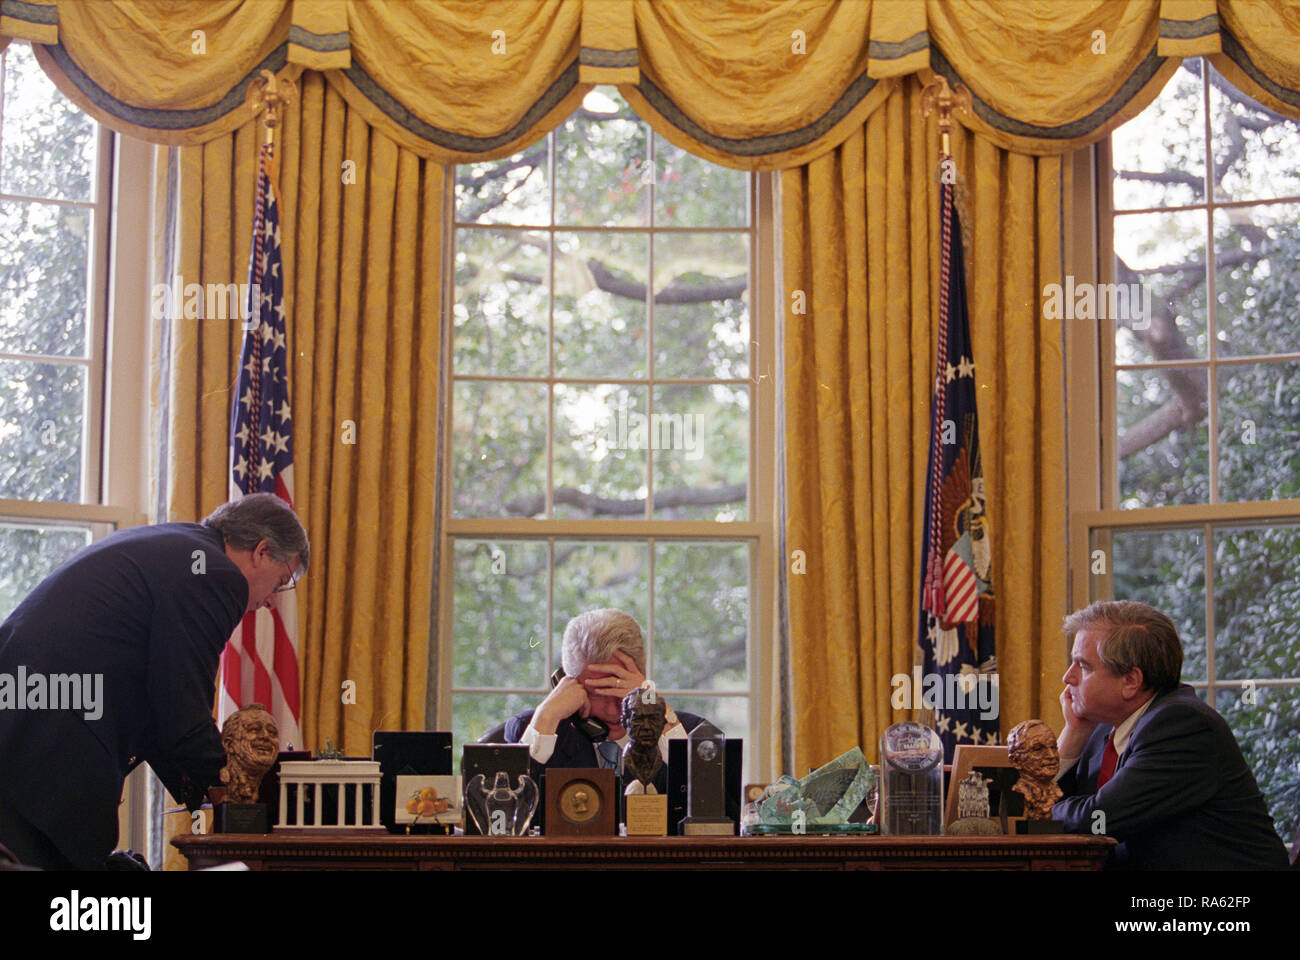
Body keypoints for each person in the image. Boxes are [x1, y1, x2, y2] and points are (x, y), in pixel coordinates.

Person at [0, 493, 308, 870]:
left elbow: (162, 702)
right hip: (50, 742)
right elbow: (182, 708)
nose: (272, 601)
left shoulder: (180, 546)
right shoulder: (218, 574)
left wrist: (210, 788)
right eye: (281, 581)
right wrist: (242, 796)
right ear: (261, 551)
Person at [1052, 600, 1288, 870]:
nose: (1068, 678)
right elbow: (1054, 811)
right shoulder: (1104, 727)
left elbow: (1097, 821)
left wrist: (1039, 811)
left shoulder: (1183, 726)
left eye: (1083, 666)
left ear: (1130, 681)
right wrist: (1074, 732)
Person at [504, 609, 715, 827]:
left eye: (624, 692)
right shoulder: (534, 729)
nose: (615, 711)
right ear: (568, 686)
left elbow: (716, 815)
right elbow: (507, 822)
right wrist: (546, 716)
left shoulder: (692, 732)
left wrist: (659, 712)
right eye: (599, 694)